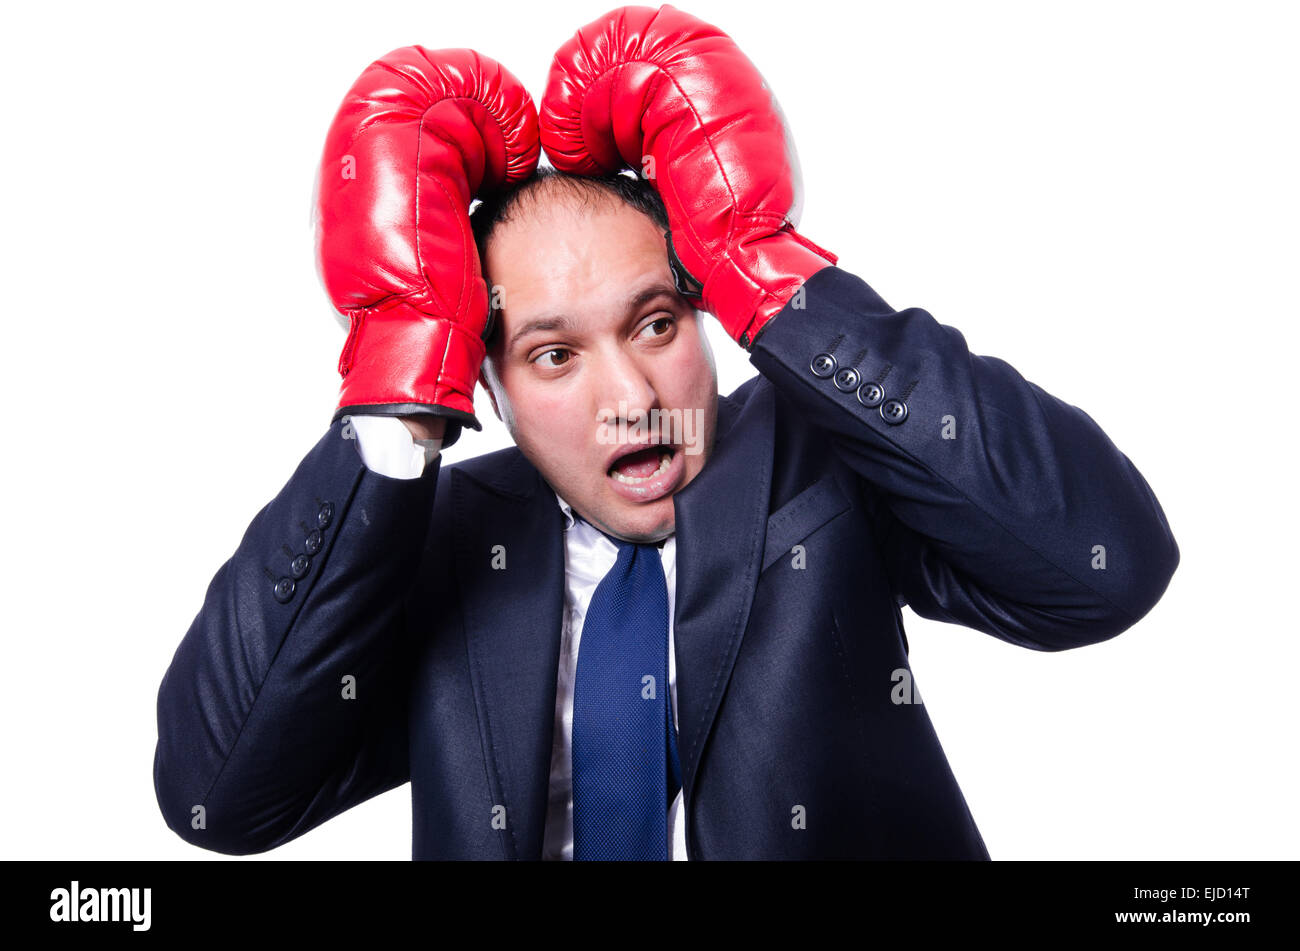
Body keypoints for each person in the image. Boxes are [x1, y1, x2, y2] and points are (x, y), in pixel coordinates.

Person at [153, 5, 1179, 860]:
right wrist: (396, 377)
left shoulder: (814, 459)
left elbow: (1105, 567)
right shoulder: (439, 541)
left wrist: (766, 270)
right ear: (488, 383)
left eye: (656, 323)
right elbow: (221, 794)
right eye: (554, 354)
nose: (632, 395)